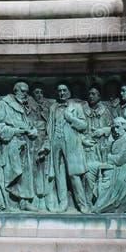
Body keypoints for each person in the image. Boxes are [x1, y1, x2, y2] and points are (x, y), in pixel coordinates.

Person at [40, 83, 89, 213]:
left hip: (71, 144)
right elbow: (49, 128)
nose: (62, 93)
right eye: (59, 90)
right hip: (56, 142)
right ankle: (63, 203)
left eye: (64, 90)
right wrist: (46, 144)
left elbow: (84, 125)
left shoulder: (76, 107)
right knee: (59, 174)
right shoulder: (53, 108)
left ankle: (82, 204)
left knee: (74, 174)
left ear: (69, 92)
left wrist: (71, 118)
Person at [0, 81, 39, 208]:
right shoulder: (4, 104)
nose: (25, 94)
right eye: (22, 91)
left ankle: (23, 202)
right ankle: (8, 202)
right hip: (9, 144)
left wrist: (31, 130)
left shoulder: (23, 106)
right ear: (15, 90)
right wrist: (14, 131)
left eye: (27, 92)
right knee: (12, 171)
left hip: (24, 144)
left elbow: (28, 124)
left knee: (25, 173)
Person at [92, 117, 126, 213]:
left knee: (107, 182)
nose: (115, 130)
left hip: (124, 171)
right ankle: (97, 203)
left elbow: (119, 160)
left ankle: (103, 206)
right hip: (115, 168)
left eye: (117, 127)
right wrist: (109, 142)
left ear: (124, 127)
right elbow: (109, 155)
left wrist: (109, 157)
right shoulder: (116, 139)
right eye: (114, 128)